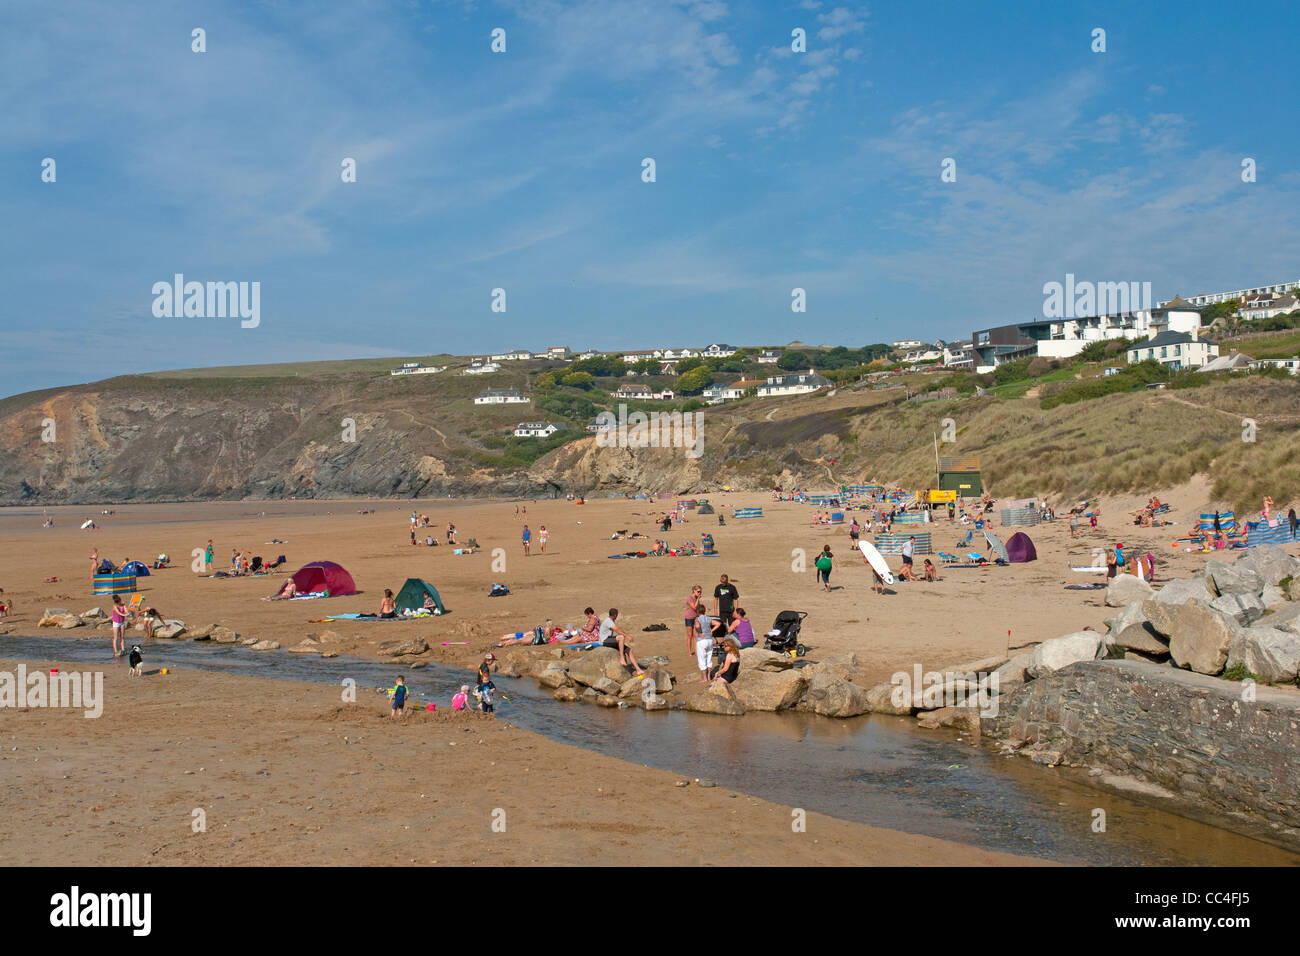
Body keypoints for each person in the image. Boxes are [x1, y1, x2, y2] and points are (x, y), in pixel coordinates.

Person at [600, 609, 641, 674]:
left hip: (609, 639)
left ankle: (638, 669)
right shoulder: (608, 621)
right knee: (621, 637)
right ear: (615, 615)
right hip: (604, 641)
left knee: (629, 650)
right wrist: (627, 636)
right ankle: (622, 658)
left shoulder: (611, 620)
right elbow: (617, 630)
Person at [693, 609, 714, 683]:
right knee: (709, 658)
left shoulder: (697, 619)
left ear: (698, 612)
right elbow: (718, 623)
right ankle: (709, 676)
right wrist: (712, 630)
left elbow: (697, 626)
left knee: (702, 659)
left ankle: (704, 678)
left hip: (701, 641)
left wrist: (699, 632)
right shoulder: (709, 618)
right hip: (709, 640)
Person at [685, 585, 704, 658]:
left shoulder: (696, 599)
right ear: (694, 591)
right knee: (689, 635)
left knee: (695, 636)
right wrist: (698, 599)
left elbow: (698, 608)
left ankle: (696, 652)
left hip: (696, 618)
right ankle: (690, 652)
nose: (699, 593)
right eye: (698, 591)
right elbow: (694, 607)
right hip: (689, 618)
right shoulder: (690, 598)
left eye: (700, 592)